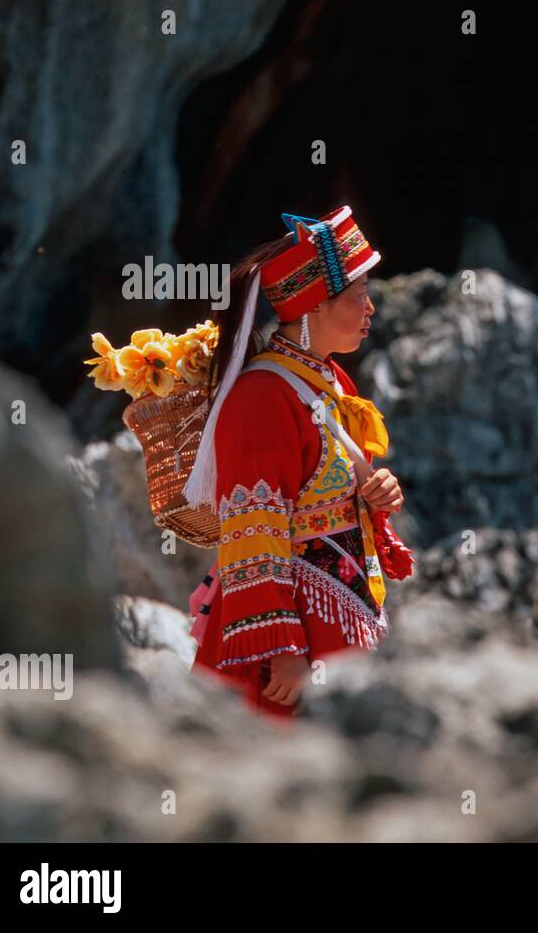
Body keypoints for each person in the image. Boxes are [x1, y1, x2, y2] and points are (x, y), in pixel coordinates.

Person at [185, 207, 413, 717]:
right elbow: (251, 527)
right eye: (359, 296)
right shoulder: (262, 397)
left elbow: (335, 494)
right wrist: (281, 651)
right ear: (313, 307)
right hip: (292, 639)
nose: (371, 308)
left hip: (340, 616)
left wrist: (378, 494)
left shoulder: (328, 382)